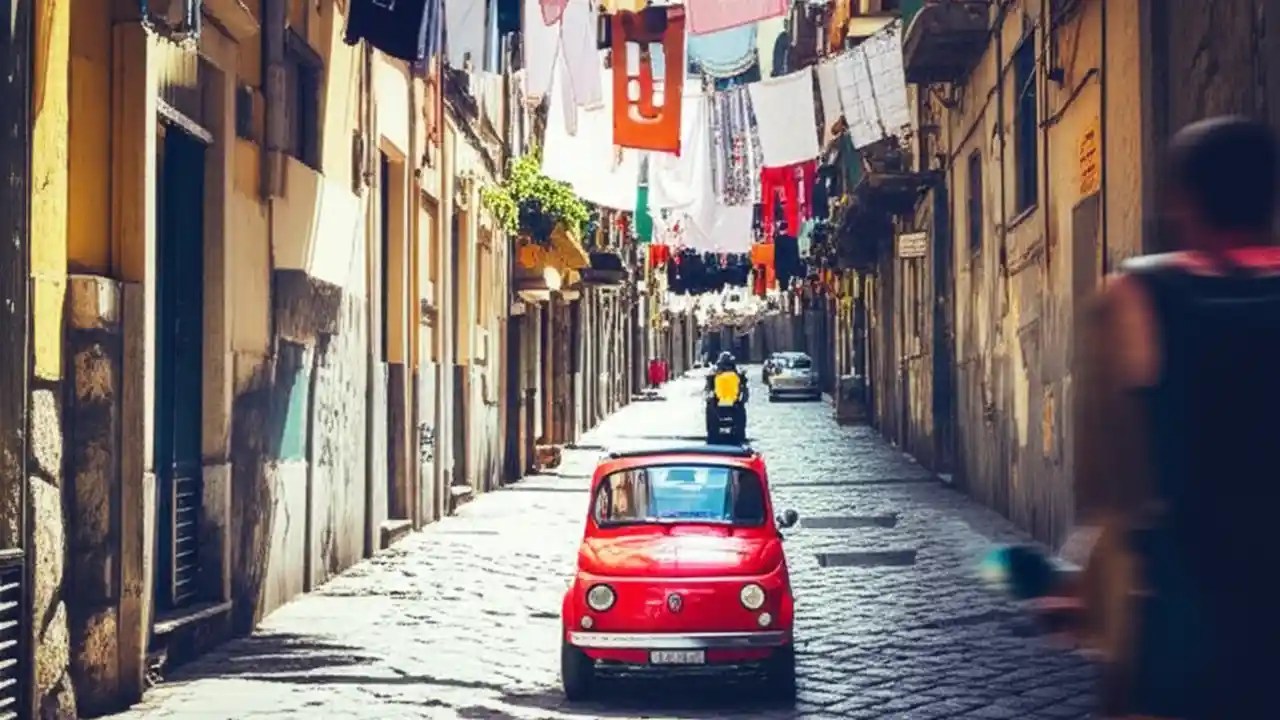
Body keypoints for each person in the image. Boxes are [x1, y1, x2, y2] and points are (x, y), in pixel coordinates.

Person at [1041, 116, 1280, 719]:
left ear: (1182, 200)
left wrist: (1081, 585)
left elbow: (1109, 489)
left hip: (1184, 625)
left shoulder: (1134, 299)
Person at [705, 351, 748, 441]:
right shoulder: (715, 374)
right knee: (711, 408)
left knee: (711, 408)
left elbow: (743, 388)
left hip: (730, 401)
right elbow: (709, 389)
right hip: (723, 401)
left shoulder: (736, 374)